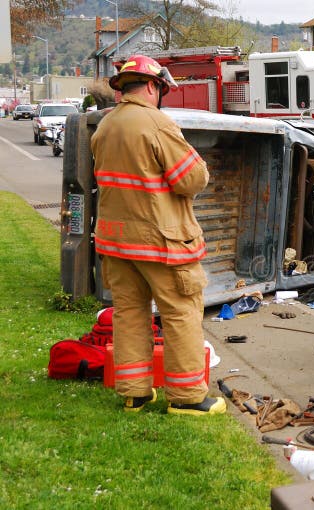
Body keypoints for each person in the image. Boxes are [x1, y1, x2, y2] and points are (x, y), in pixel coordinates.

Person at [91, 55, 225, 416]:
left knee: (129, 313)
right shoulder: (156, 123)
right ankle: (188, 398)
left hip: (116, 241)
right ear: (154, 86)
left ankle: (135, 392)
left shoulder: (106, 126)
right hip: (159, 241)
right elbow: (190, 180)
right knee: (181, 312)